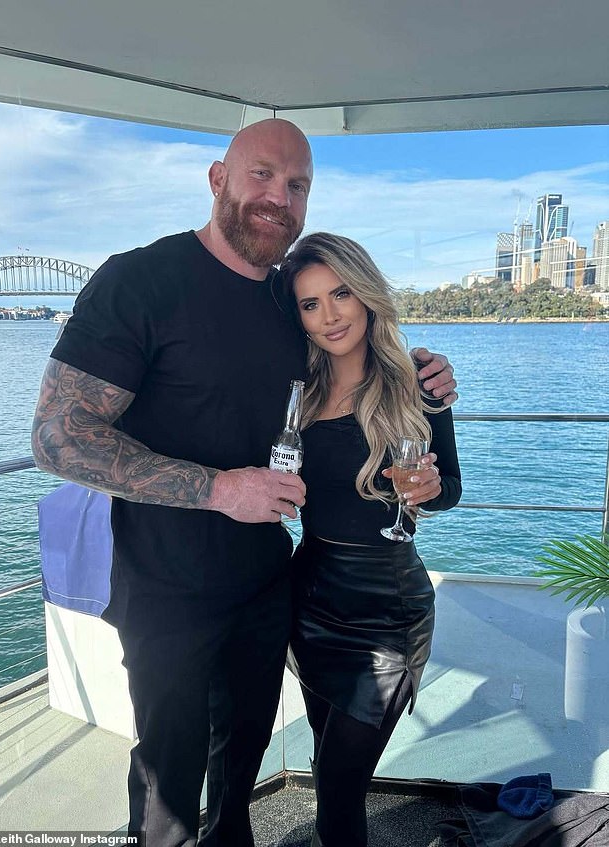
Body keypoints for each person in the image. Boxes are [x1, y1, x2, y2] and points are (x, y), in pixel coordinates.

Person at [31, 118, 458, 847]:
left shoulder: (286, 296)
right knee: (167, 784)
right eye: (262, 174)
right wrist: (219, 489)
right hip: (166, 587)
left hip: (269, 585)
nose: (278, 197)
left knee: (241, 767)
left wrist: (428, 379)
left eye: (297, 185)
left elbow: (348, 358)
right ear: (217, 178)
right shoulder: (140, 279)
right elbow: (56, 437)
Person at [278, 232, 462, 847]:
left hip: (387, 608)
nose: (330, 316)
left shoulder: (418, 383)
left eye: (341, 294)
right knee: (328, 765)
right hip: (310, 597)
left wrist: (429, 488)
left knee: (339, 780)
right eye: (310, 304)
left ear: (366, 294)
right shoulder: (296, 391)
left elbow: (450, 488)